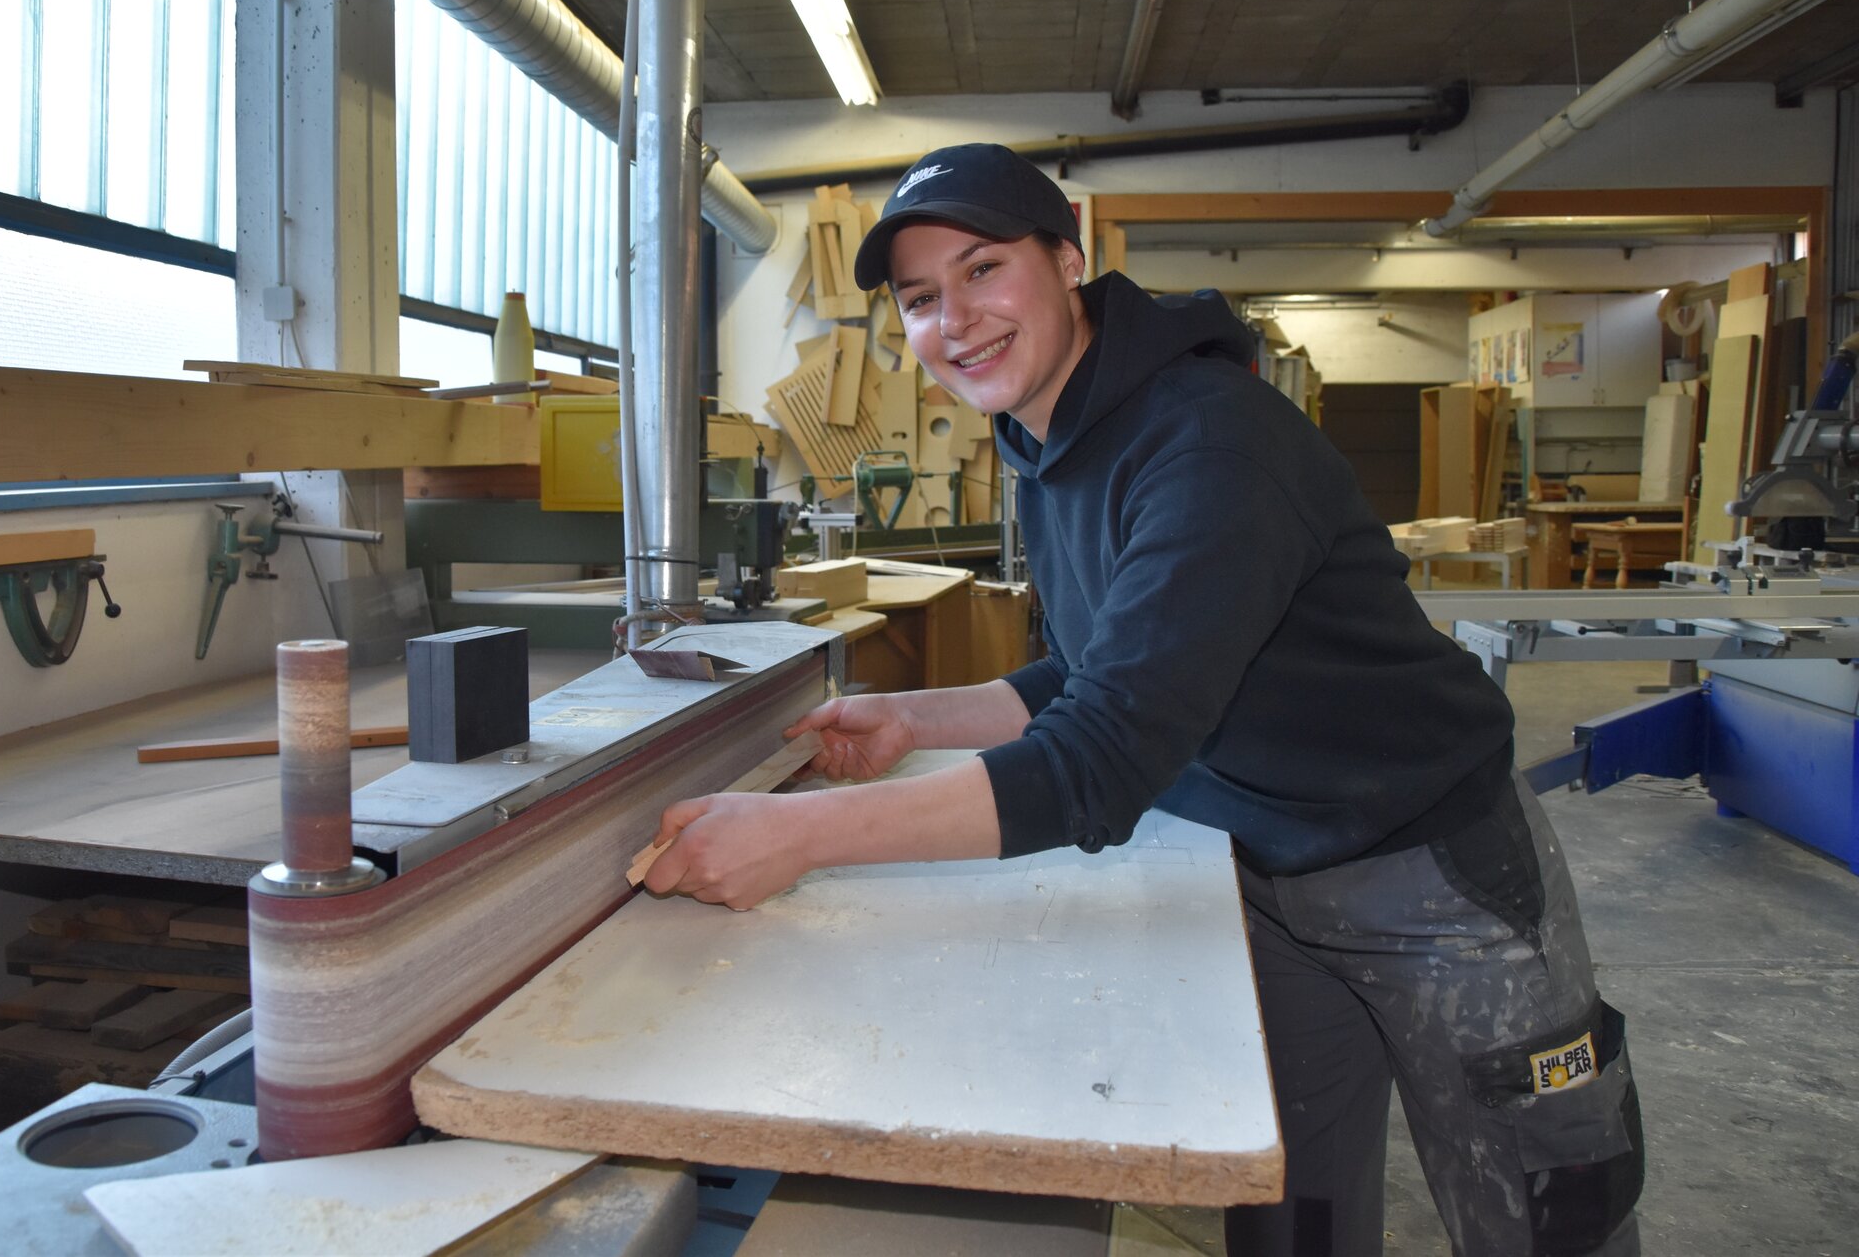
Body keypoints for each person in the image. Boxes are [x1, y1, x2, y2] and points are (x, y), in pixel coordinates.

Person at [641, 143, 1644, 1256]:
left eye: (982, 270)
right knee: (1290, 1223)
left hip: (1433, 875)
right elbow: (1094, 669)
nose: (953, 320)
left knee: (1543, 1221)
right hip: (1264, 880)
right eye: (920, 299)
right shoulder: (1051, 435)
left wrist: (797, 835)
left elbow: (1104, 756)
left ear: (1066, 260)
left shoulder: (1205, 441)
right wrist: (917, 718)